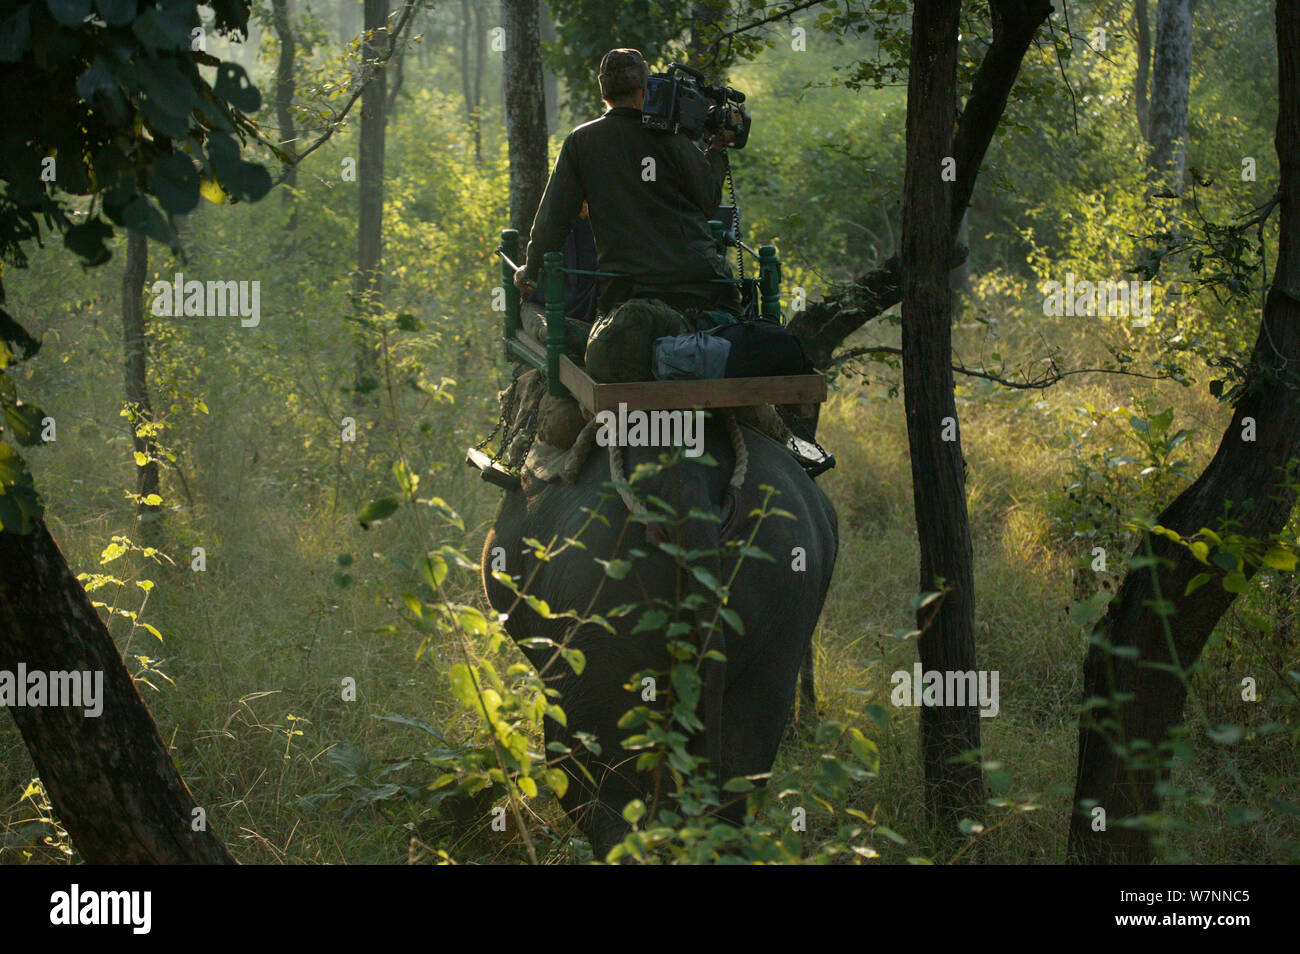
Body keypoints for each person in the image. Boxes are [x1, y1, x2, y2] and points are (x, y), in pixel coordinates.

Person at [513, 48, 740, 315]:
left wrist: (532, 268)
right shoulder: (673, 139)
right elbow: (709, 201)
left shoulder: (581, 141)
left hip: (625, 290)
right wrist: (716, 149)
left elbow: (553, 219)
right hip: (696, 283)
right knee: (744, 320)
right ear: (646, 89)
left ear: (604, 93)